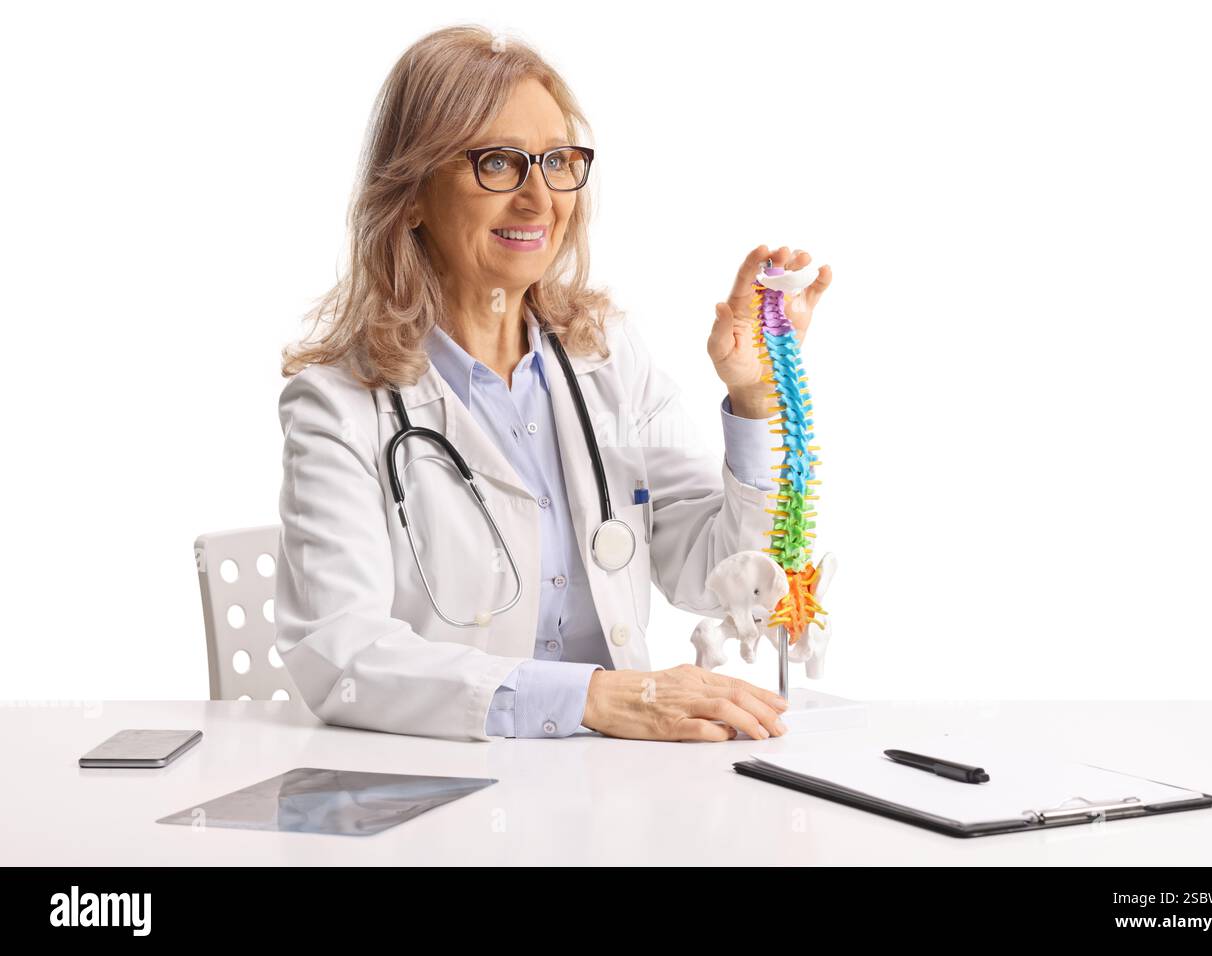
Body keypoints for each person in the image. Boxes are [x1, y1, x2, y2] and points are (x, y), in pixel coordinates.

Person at [275, 25, 832, 743]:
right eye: (499, 164)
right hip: (450, 791)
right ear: (410, 195)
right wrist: (592, 697)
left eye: (558, 161)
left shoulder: (607, 357)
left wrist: (757, 399)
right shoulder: (339, 405)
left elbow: (711, 573)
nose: (541, 199)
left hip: (618, 778)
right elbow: (341, 655)